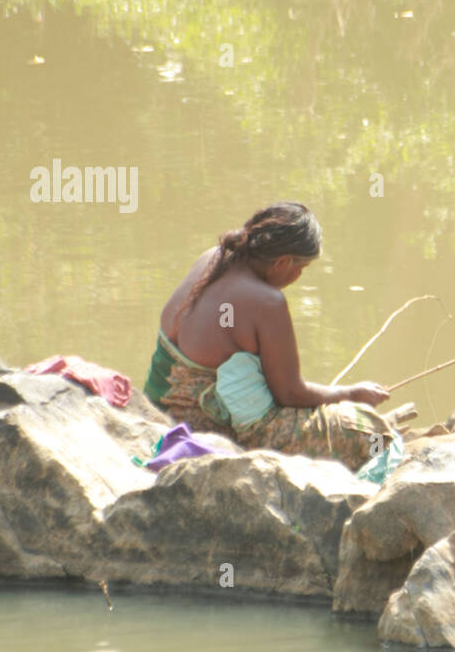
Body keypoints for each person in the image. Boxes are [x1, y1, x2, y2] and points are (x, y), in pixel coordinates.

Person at [143, 202, 395, 473]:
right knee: (369, 431)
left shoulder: (213, 257)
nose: (299, 276)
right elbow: (289, 393)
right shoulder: (267, 302)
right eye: (302, 267)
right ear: (282, 262)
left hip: (156, 406)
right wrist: (351, 394)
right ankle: (379, 484)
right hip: (201, 425)